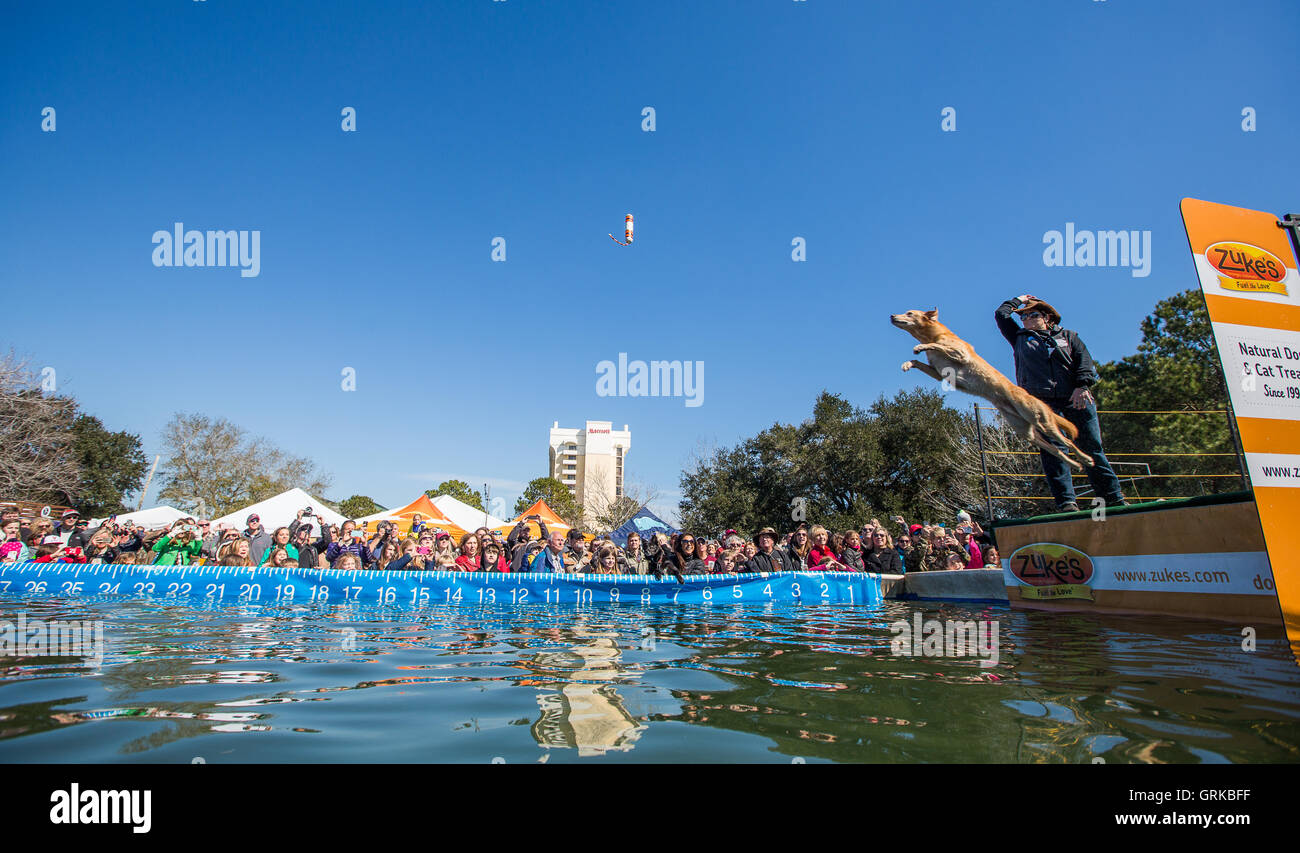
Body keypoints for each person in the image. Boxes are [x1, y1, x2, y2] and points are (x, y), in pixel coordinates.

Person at [996, 294, 1127, 513]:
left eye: (1033, 314)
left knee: (1091, 447)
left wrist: (1082, 386)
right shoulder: (1018, 336)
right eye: (1024, 316)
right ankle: (1067, 502)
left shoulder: (1069, 336)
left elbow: (1085, 362)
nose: (1027, 318)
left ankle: (1112, 497)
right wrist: (1019, 299)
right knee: (1053, 450)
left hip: (1075, 397)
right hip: (1041, 402)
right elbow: (1001, 314)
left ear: (1047, 318)